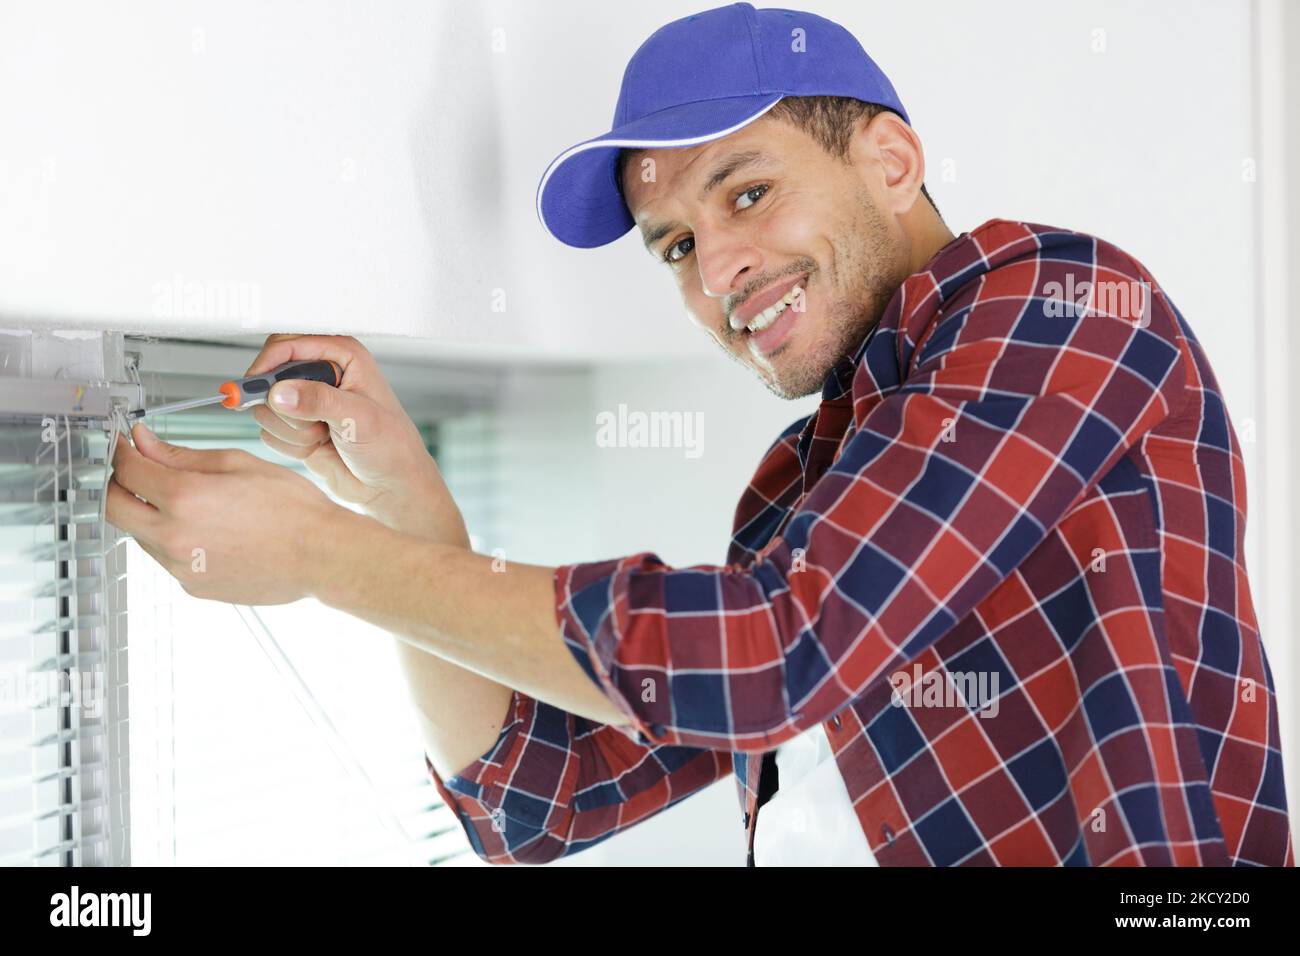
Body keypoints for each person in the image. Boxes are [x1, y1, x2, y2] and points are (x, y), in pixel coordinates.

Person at [106, 2, 1293, 866]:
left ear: (890, 159)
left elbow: (774, 652)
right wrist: (405, 505)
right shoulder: (807, 488)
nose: (716, 267)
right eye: (673, 244)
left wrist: (322, 557)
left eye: (745, 191)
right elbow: (535, 801)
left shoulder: (1062, 307)